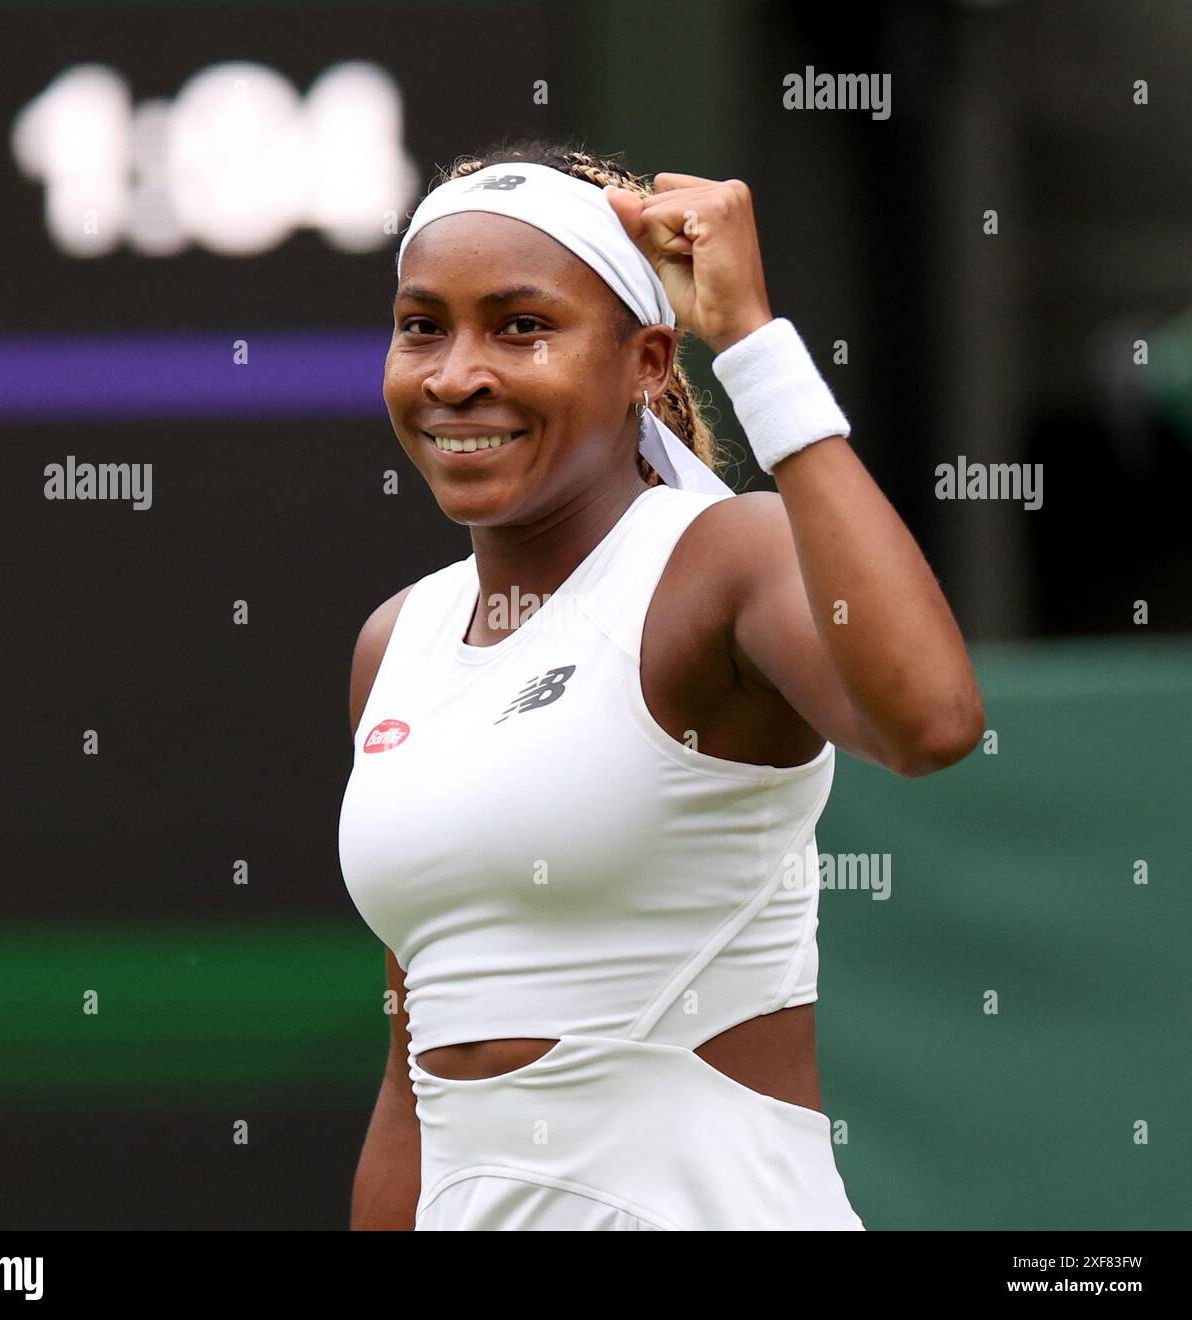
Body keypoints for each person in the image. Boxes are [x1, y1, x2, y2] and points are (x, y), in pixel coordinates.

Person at [338, 141, 984, 1230]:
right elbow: (413, 1083)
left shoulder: (723, 559)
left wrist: (751, 343)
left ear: (646, 362)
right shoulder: (393, 641)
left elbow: (928, 721)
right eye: (422, 326)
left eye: (521, 325)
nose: (455, 375)